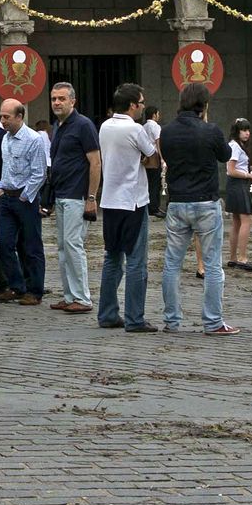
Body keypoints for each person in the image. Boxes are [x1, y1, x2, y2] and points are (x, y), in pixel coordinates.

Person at [158, 83, 237, 335]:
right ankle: (213, 321)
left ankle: (172, 320)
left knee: (172, 263)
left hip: (177, 202)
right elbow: (224, 155)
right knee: (213, 264)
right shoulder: (210, 130)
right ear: (204, 106)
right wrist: (208, 125)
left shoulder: (166, 132)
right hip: (205, 201)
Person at [97, 82, 159, 332]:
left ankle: (107, 313)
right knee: (136, 261)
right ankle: (135, 318)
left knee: (112, 258)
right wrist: (142, 159)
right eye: (142, 103)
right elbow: (152, 158)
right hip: (133, 200)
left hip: (110, 200)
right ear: (133, 105)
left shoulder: (104, 125)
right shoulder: (134, 129)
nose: (143, 106)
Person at [45, 82, 99, 314]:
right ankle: (70, 295)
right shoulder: (59, 126)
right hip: (61, 194)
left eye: (61, 99)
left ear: (72, 101)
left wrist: (91, 197)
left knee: (73, 245)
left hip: (78, 195)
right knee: (63, 247)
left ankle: (82, 297)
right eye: (54, 99)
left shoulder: (84, 125)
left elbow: (95, 163)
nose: (57, 102)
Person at [0, 98, 48, 306]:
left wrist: (25, 196)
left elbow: (40, 173)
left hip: (26, 199)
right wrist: (0, 187)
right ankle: (17, 285)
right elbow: (4, 166)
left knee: (31, 245)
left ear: (19, 116)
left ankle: (34, 289)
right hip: (6, 197)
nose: (3, 121)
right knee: (4, 244)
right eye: (2, 117)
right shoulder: (5, 139)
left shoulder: (33, 139)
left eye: (7, 117)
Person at [223, 118, 252, 272]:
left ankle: (233, 258)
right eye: (244, 130)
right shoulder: (235, 146)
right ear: (237, 131)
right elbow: (231, 170)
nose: (247, 133)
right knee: (247, 220)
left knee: (237, 221)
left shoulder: (237, 146)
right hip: (237, 185)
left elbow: (237, 167)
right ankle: (242, 258)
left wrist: (248, 169)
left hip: (237, 185)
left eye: (248, 130)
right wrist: (249, 175)